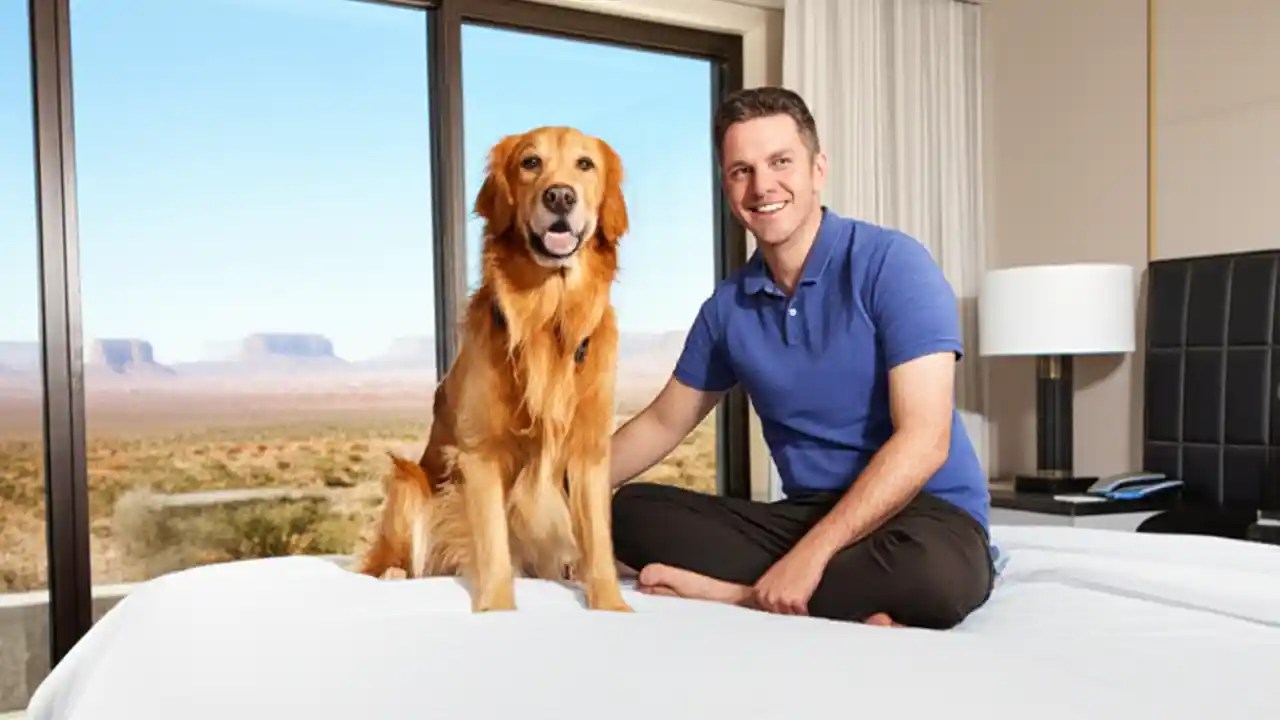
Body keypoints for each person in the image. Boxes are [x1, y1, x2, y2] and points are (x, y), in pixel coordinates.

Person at [607, 86, 994, 629]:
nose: (762, 185)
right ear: (726, 185)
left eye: (780, 162)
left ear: (817, 169)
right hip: (808, 513)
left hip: (924, 515)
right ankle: (833, 595)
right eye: (741, 170)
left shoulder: (892, 264)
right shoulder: (728, 308)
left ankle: (739, 595)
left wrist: (812, 559)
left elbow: (924, 440)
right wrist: (555, 492)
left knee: (932, 576)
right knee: (628, 512)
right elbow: (661, 422)